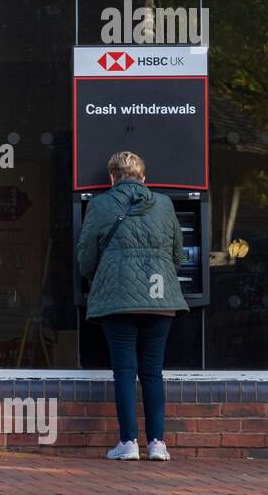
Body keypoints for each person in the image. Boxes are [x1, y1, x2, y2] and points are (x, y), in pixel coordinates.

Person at [76, 151, 188, 462]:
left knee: (125, 372)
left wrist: (96, 277)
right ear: (142, 177)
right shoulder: (164, 204)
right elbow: (178, 252)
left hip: (118, 300)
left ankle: (128, 443)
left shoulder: (100, 204)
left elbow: (86, 253)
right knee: (153, 372)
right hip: (161, 300)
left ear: (112, 177)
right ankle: (157, 443)